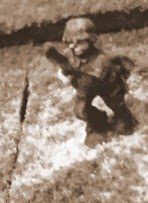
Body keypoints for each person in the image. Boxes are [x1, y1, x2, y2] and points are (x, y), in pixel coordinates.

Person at [45, 17, 137, 147]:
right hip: (85, 89)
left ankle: (124, 117)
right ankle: (97, 124)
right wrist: (63, 74)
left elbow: (92, 79)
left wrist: (74, 76)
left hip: (109, 86)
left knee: (117, 106)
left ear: (91, 40)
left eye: (79, 42)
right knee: (81, 109)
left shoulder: (102, 59)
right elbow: (64, 71)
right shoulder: (69, 55)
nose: (72, 46)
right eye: (69, 42)